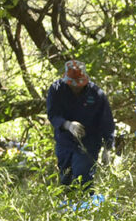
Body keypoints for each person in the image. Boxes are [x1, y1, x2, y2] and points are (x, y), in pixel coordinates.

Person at [45, 60, 116, 189]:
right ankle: (67, 206)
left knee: (83, 178)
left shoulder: (96, 94)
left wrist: (107, 148)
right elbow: (53, 114)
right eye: (73, 85)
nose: (76, 87)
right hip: (65, 141)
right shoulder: (56, 90)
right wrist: (67, 125)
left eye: (80, 84)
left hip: (88, 143)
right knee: (65, 179)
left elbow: (107, 121)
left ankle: (86, 205)